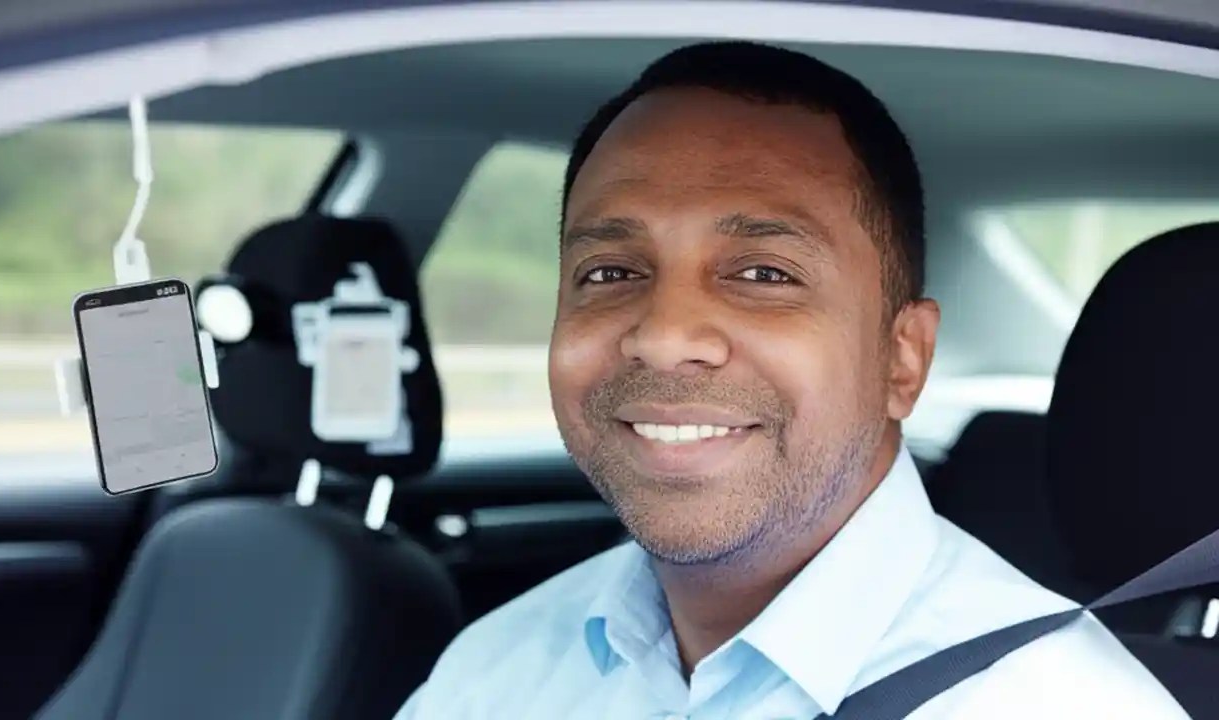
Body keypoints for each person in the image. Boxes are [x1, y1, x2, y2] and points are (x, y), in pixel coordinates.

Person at [395, 42, 1186, 719]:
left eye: (764, 273)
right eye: (609, 271)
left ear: (902, 359)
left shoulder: (1050, 701)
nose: (665, 337)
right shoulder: (497, 668)